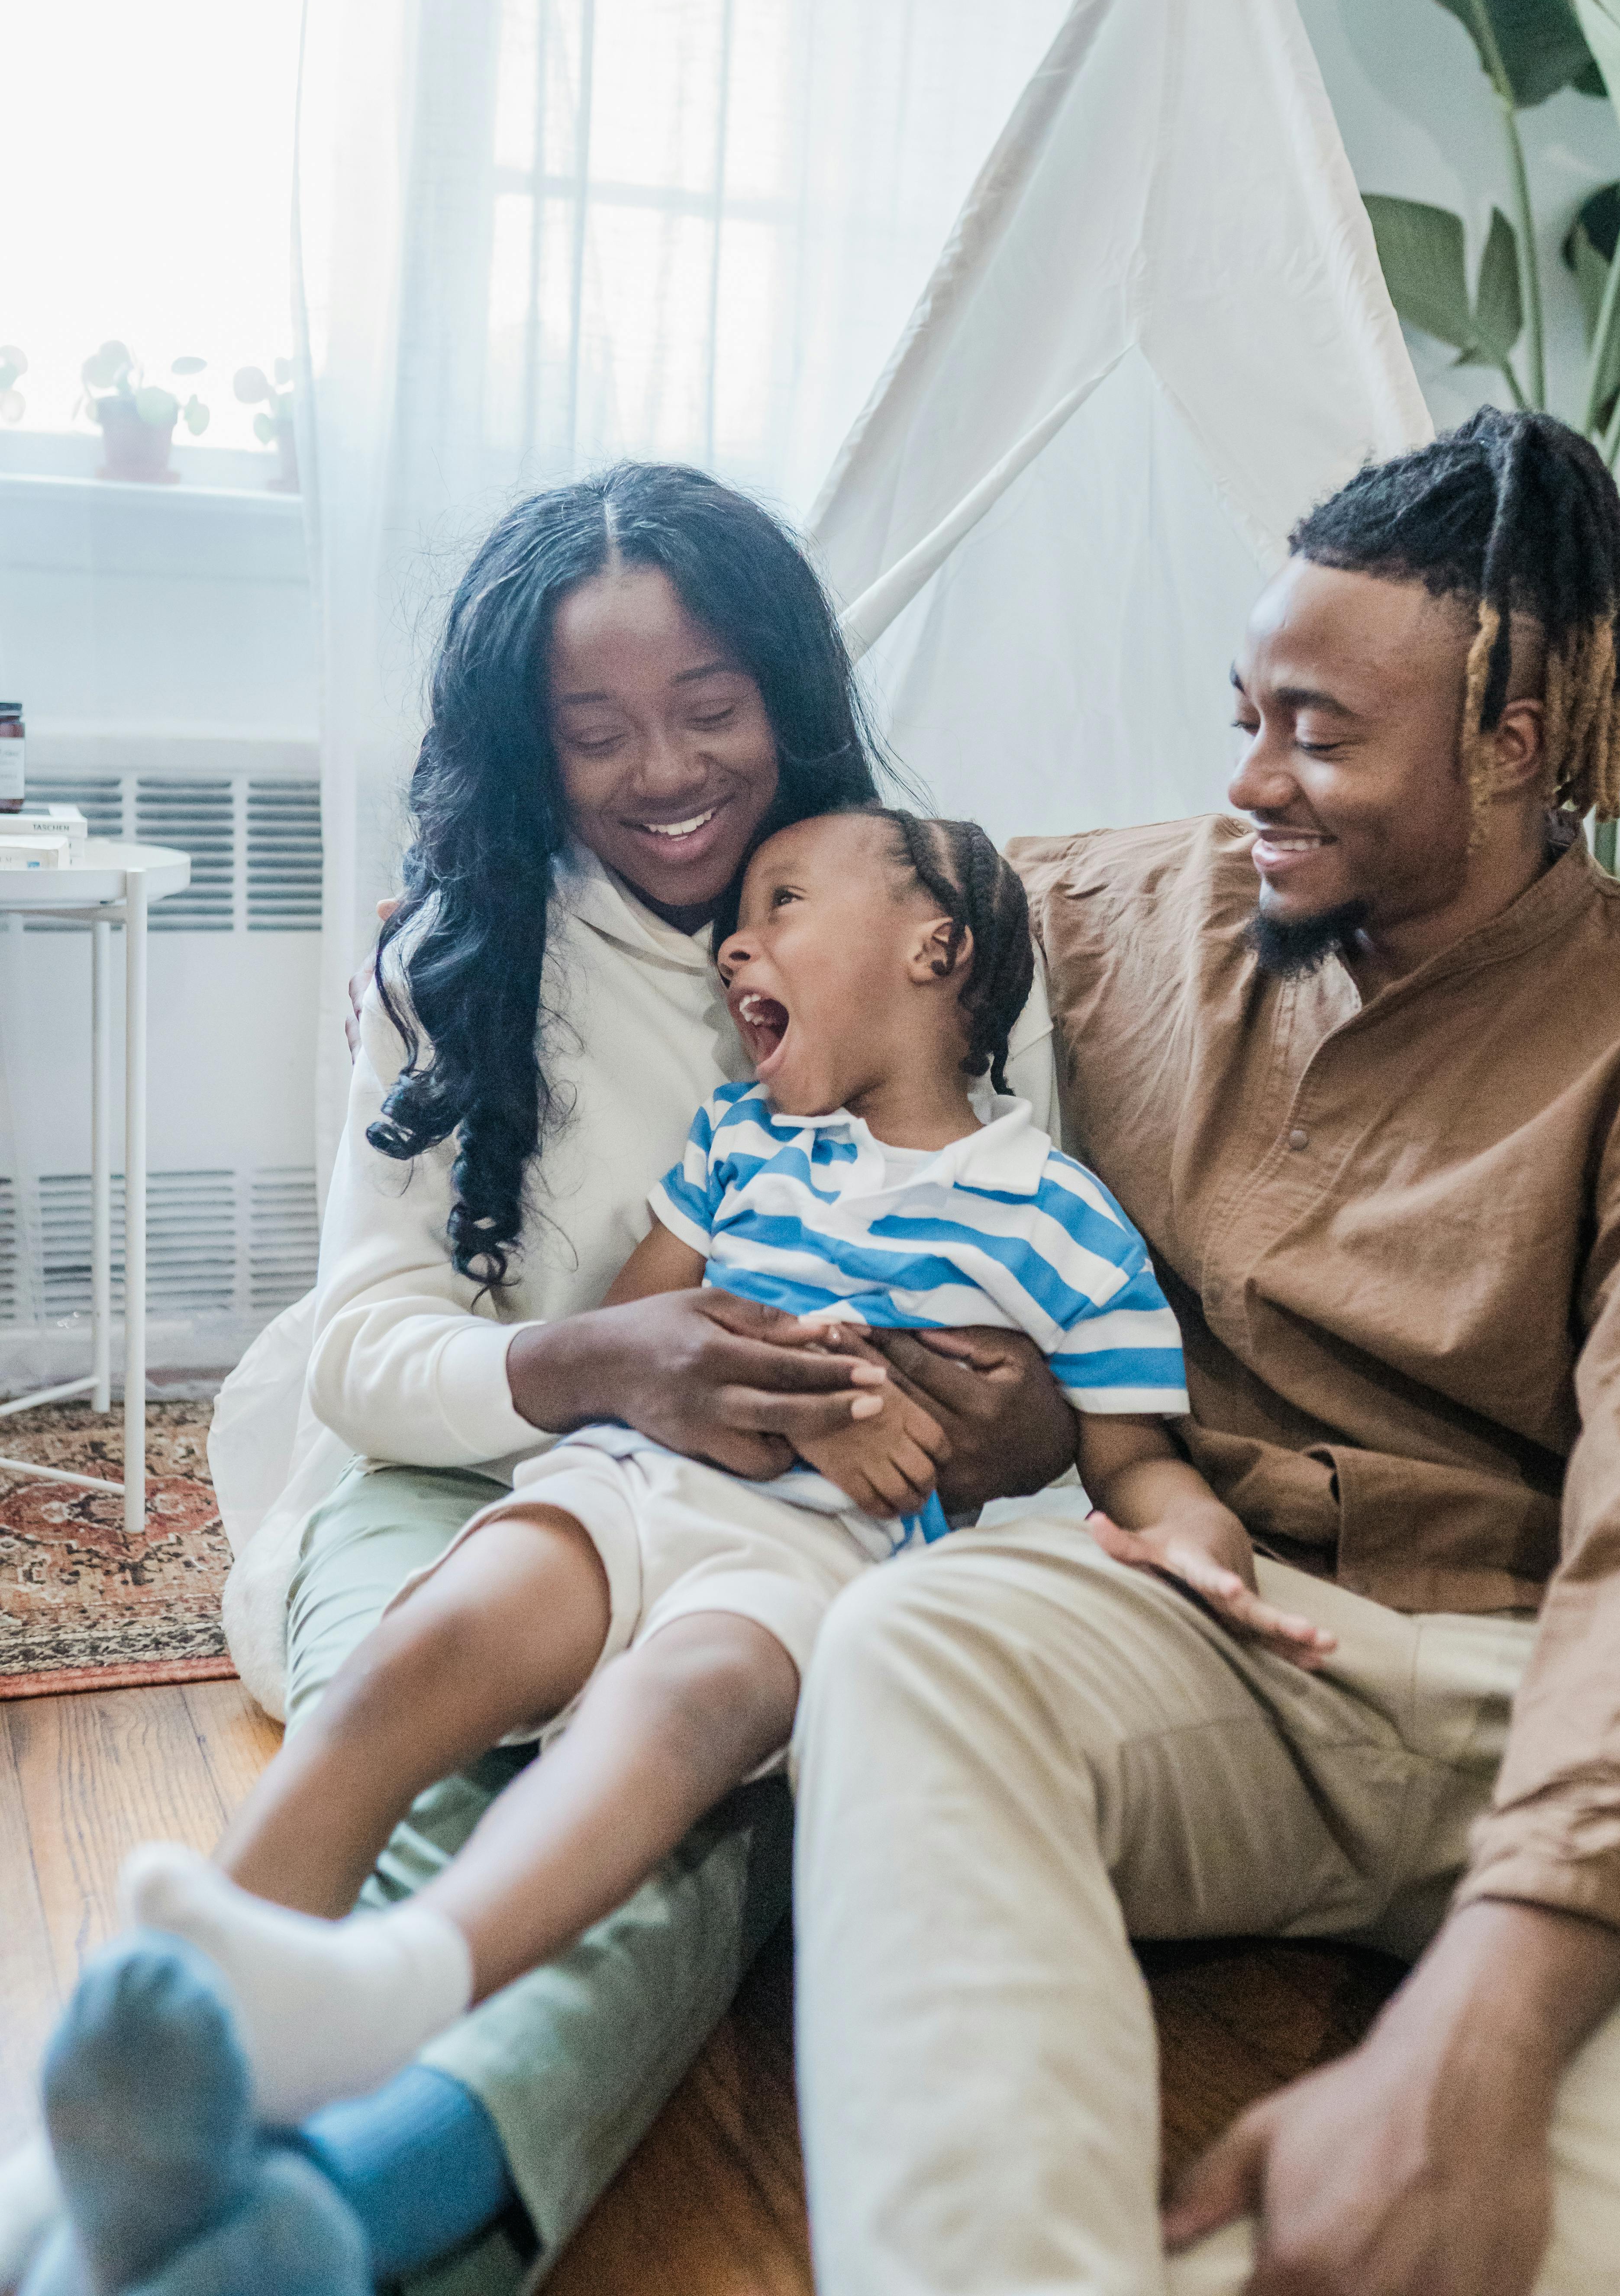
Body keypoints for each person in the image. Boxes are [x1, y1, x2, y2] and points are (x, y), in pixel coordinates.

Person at [1, 466, 1075, 2296]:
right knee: (447, 1756)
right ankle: (107, 2159)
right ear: (530, 745)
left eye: (711, 708)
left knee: (686, 1808)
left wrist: (1010, 1420)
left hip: (797, 1527)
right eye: (597, 732)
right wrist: (604, 1364)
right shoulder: (465, 957)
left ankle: (340, 2214)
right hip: (457, 1481)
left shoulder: (935, 934)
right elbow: (364, 1347)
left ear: (788, 696)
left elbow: (1042, 1298)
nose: (665, 771)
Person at [791, 407, 1620, 2296]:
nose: (1250, 780)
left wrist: (1474, 2040)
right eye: (1245, 713)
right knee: (913, 1640)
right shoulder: (1141, 908)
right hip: (1240, 1656)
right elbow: (846, 909)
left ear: (1512, 745)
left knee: (1486, 2206)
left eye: (1317, 733)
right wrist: (483, 950)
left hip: (1566, 1701)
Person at [105, 807, 1284, 2148]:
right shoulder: (738, 1141)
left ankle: (403, 1986)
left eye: (784, 903)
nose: (735, 944)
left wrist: (1203, 1549)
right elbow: (640, 1335)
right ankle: (175, 2016)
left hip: (823, 1563)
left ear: (935, 947)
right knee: (426, 1643)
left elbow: (1133, 1457)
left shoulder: (1063, 1217)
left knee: (678, 1713)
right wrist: (814, 1400)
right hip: (633, 1481)